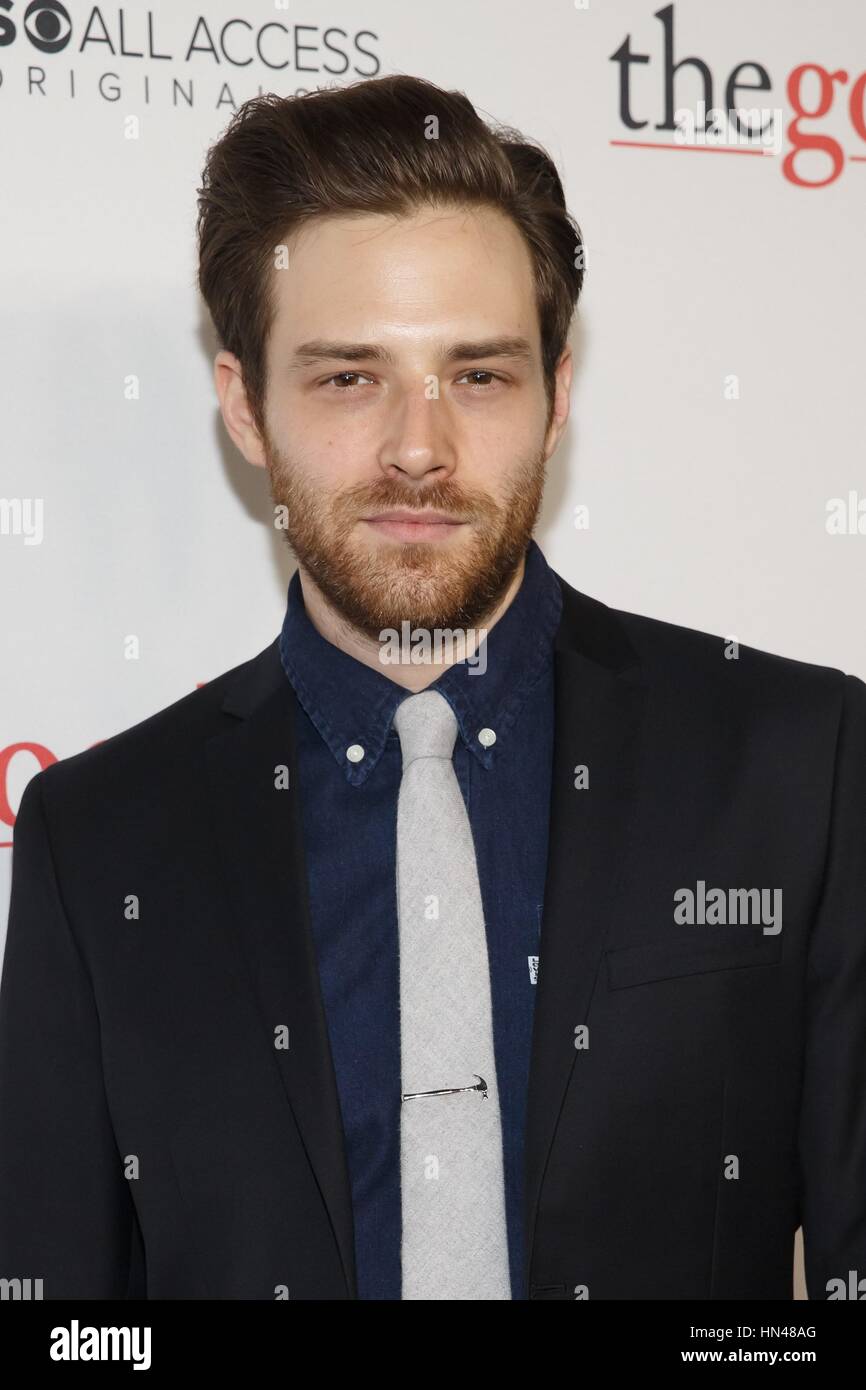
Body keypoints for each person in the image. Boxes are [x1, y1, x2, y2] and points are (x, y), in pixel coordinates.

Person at [0, 74, 863, 1301]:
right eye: (349, 377)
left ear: (556, 398)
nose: (419, 445)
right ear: (245, 407)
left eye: (478, 375)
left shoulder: (797, 762)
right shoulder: (100, 841)